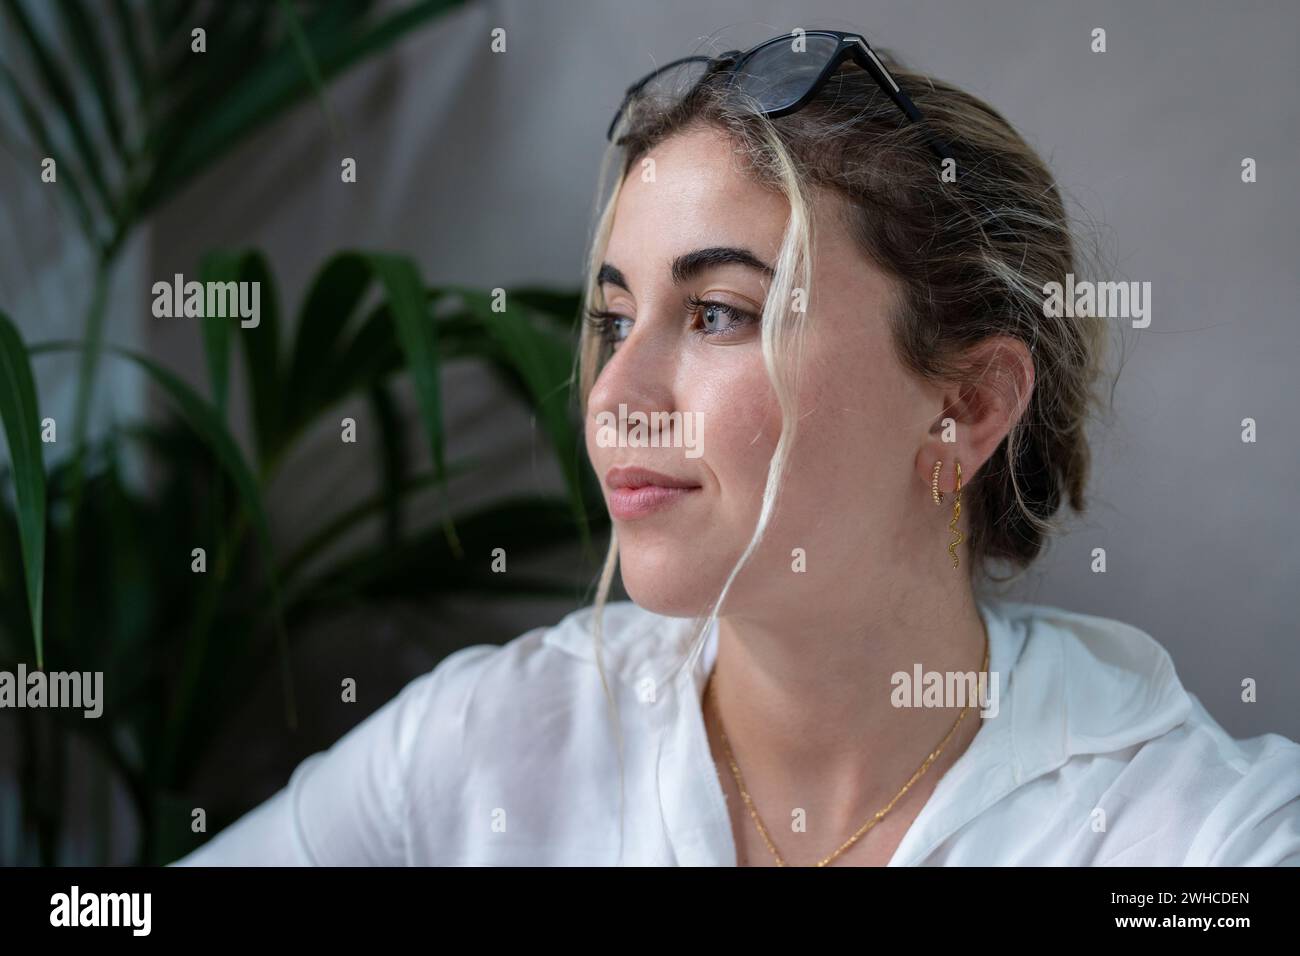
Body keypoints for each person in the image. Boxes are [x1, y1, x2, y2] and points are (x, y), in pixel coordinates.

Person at [171, 30, 1300, 866]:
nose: (615, 395)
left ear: (964, 405)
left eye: (716, 312)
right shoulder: (488, 745)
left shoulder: (1198, 836)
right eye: (614, 319)